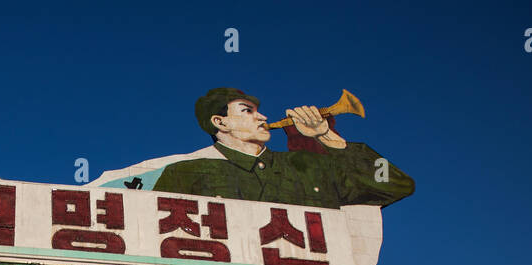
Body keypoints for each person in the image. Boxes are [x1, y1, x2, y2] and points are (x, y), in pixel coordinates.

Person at [152, 87, 414, 209]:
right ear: (220, 122)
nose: (263, 117)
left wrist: (328, 137)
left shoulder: (309, 166)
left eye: (259, 111)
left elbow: (395, 186)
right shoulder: (185, 173)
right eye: (248, 111)